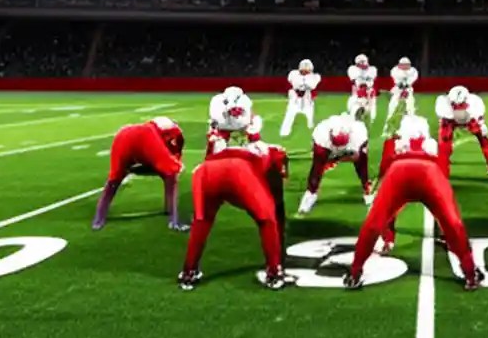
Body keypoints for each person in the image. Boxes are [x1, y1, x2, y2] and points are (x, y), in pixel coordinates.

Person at [343, 116, 484, 291]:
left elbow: (384, 168)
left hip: (399, 171)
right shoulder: (432, 144)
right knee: (452, 224)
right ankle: (470, 273)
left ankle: (355, 272)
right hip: (429, 172)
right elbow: (443, 165)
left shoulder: (394, 143)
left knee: (373, 224)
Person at [178, 144, 292, 291]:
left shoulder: (250, 149)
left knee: (202, 221)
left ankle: (188, 273)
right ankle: (274, 274)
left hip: (205, 169)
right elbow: (276, 204)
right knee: (267, 220)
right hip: (239, 170)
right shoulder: (277, 155)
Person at [92, 116, 187, 232]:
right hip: (145, 137)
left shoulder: (159, 129)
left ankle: (98, 219)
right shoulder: (174, 134)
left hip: (123, 135)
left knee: (114, 179)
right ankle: (174, 220)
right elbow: (173, 168)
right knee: (170, 175)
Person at [299, 113, 373, 214]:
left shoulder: (358, 133)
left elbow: (356, 156)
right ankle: (311, 194)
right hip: (328, 146)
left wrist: (337, 160)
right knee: (317, 169)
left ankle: (367, 191)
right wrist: (328, 161)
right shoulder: (321, 134)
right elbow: (318, 155)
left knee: (362, 167)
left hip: (349, 147)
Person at [434, 85, 488, 181]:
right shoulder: (444, 106)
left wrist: (478, 125)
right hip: (450, 121)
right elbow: (444, 123)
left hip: (470, 119)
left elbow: (480, 123)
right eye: (456, 105)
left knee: (485, 141)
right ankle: (442, 173)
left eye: (461, 105)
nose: (459, 107)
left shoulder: (475, 105)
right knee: (444, 147)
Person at [280, 59, 321, 136]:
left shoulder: (315, 77)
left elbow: (312, 86)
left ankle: (310, 133)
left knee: (309, 119)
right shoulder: (293, 74)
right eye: (304, 69)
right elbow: (293, 83)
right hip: (295, 99)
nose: (305, 71)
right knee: (289, 115)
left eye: (307, 70)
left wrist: (304, 82)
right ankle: (284, 133)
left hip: (307, 100)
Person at [383, 56, 419, 132]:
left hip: (408, 90)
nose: (405, 66)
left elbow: (411, 80)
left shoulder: (413, 70)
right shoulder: (395, 70)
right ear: (399, 64)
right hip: (397, 90)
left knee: (410, 108)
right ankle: (387, 127)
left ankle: (411, 127)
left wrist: (406, 86)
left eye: (407, 64)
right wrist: (401, 86)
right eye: (403, 64)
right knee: (392, 108)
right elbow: (397, 81)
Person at [347, 54, 379, 123]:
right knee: (353, 107)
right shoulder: (352, 69)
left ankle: (367, 122)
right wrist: (361, 86)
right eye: (360, 63)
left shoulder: (372, 69)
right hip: (357, 92)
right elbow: (354, 81)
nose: (362, 65)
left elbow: (371, 81)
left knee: (371, 112)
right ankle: (355, 120)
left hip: (369, 93)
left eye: (363, 62)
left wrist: (366, 86)